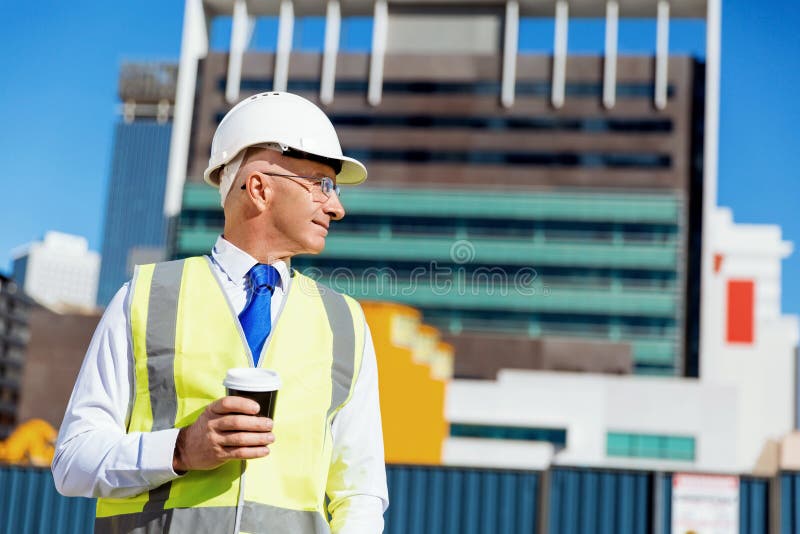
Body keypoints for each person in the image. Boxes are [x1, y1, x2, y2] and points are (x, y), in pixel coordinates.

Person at [52, 92, 389, 533]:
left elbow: (360, 493)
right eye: (321, 184)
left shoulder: (345, 323)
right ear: (260, 186)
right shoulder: (146, 297)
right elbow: (72, 462)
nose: (336, 206)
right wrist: (179, 450)